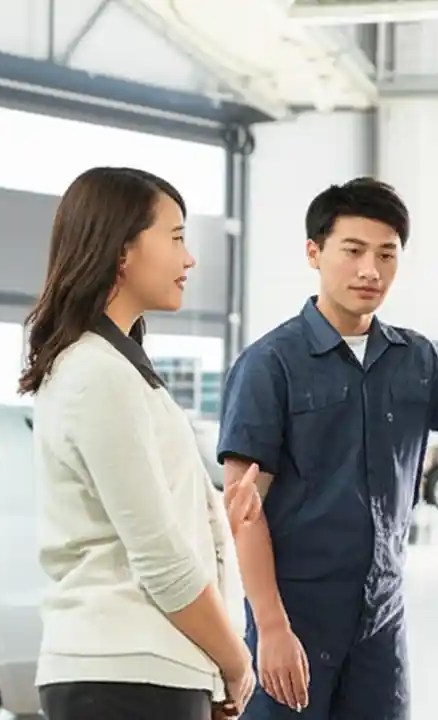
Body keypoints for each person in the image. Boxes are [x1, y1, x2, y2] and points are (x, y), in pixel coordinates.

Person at [217, 177, 438, 719]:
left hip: (381, 619)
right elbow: (243, 510)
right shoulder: (270, 365)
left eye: (387, 254)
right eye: (354, 250)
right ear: (314, 252)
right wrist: (269, 627)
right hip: (295, 617)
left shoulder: (415, 360)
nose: (372, 270)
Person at [20, 167, 261, 720]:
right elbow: (159, 560)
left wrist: (215, 519)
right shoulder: (98, 374)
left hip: (141, 669)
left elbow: (138, 520)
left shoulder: (113, 369)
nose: (189, 259)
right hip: (126, 671)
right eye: (176, 237)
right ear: (122, 250)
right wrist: (235, 663)